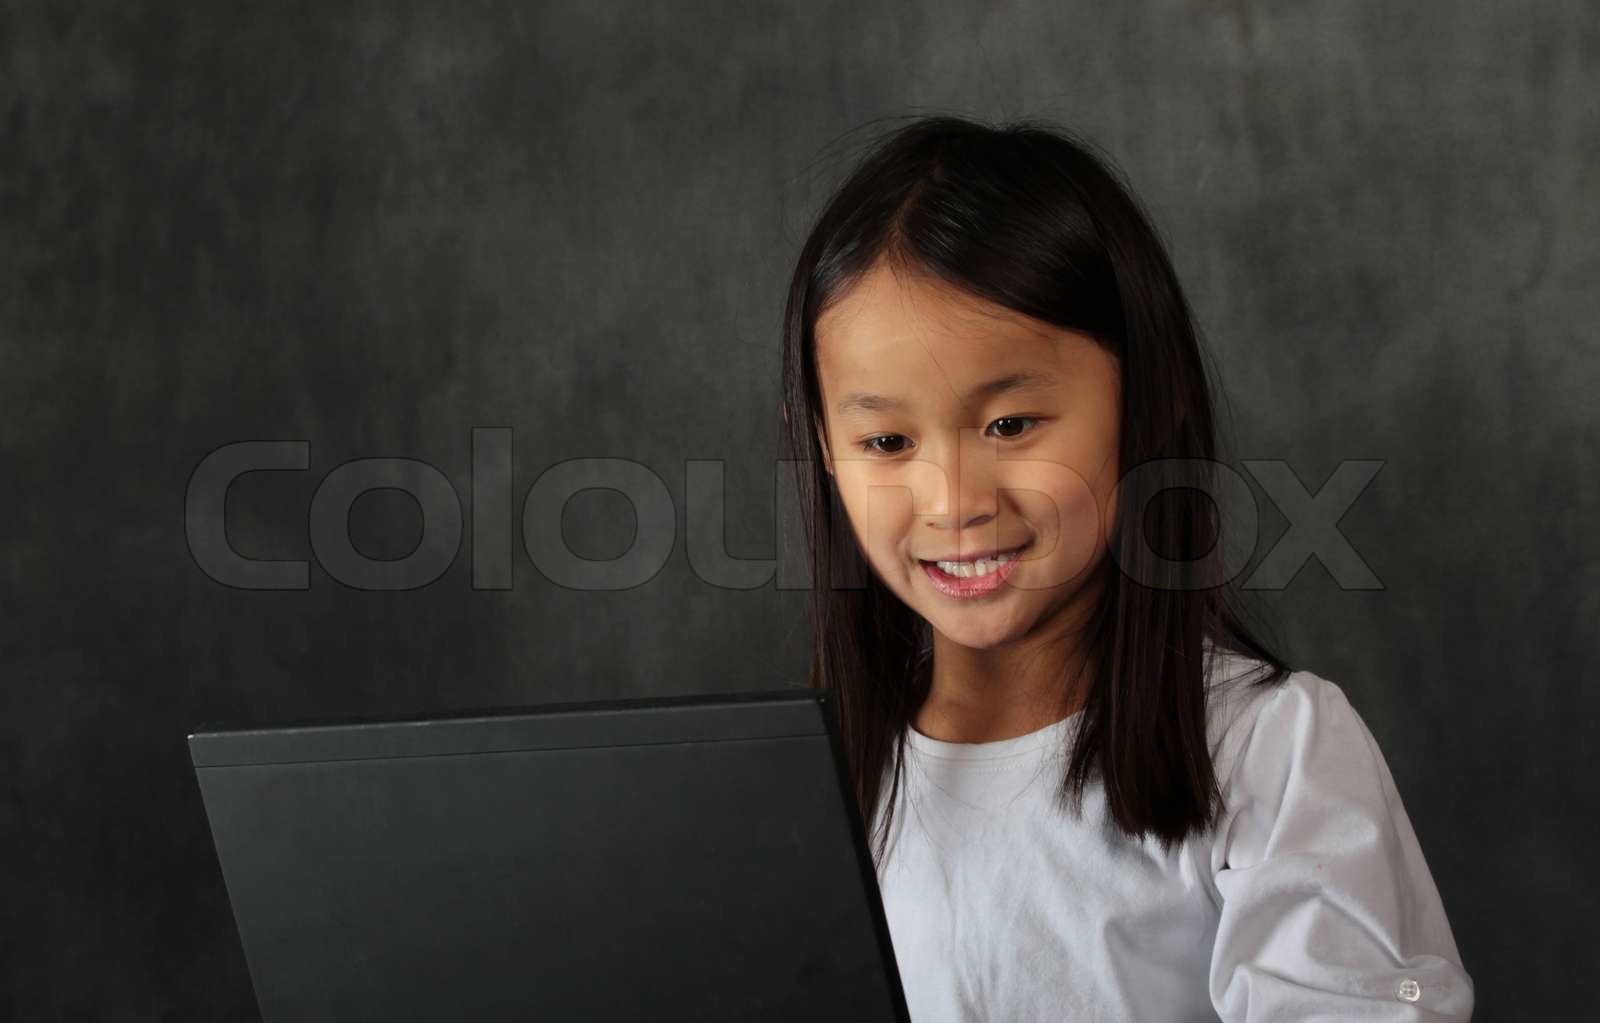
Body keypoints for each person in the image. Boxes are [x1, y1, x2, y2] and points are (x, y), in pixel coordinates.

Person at [777, 114, 1474, 1021]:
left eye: (1010, 425)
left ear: (1147, 400)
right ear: (826, 454)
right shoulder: (824, 790)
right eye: (886, 440)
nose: (953, 500)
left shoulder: (1270, 752)